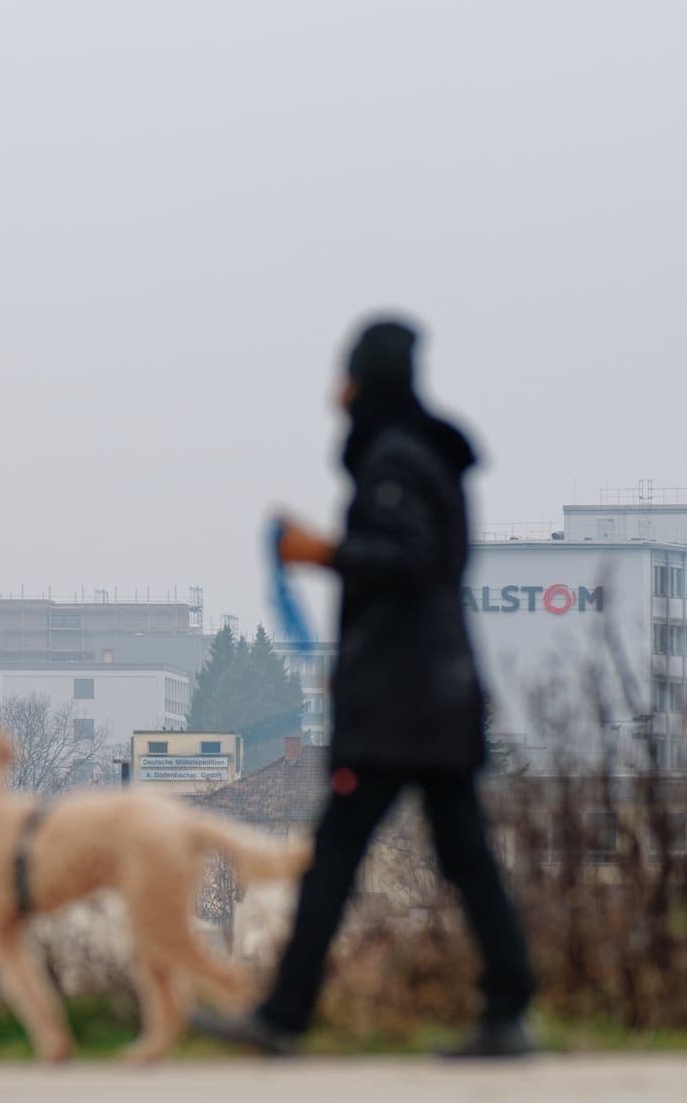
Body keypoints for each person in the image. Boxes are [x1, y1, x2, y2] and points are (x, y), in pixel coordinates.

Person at [194, 315, 536, 1059]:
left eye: (343, 374)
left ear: (366, 380)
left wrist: (323, 551)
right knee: (466, 855)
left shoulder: (394, 458)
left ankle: (283, 1016)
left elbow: (407, 562)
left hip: (399, 703)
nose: (333, 393)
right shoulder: (426, 457)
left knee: (338, 853)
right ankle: (508, 1009)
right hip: (433, 692)